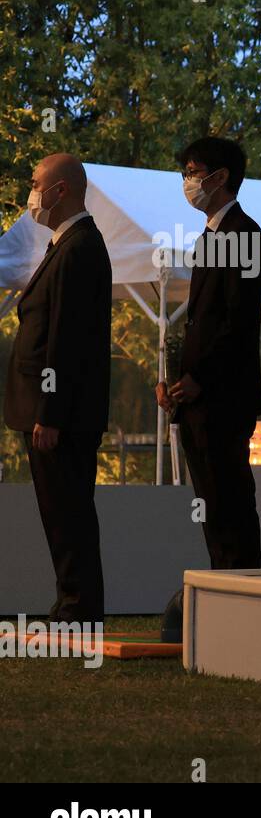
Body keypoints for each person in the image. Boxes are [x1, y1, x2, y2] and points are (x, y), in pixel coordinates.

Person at [4, 153, 112, 624]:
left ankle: (78, 605)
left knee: (68, 512)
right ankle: (71, 600)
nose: (32, 193)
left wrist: (49, 413)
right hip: (54, 410)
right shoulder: (64, 245)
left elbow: (65, 341)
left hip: (60, 415)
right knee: (60, 511)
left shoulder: (79, 247)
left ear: (61, 190)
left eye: (35, 183)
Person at [158, 137, 261, 569]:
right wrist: (172, 377)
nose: (188, 181)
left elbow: (235, 322)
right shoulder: (213, 235)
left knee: (229, 505)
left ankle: (243, 593)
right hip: (198, 397)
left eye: (192, 171)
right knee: (213, 508)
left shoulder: (243, 233)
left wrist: (199, 375)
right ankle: (226, 588)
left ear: (220, 177)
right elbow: (198, 323)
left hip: (222, 397)